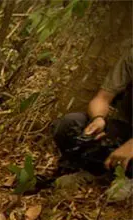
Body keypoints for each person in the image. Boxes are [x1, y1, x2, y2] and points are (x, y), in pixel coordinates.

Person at [52, 47, 132, 181]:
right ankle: (93, 170)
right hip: (126, 130)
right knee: (70, 124)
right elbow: (102, 98)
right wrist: (98, 119)